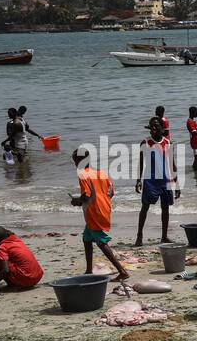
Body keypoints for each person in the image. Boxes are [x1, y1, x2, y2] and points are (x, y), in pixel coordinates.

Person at [70, 147, 128, 281]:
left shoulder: (82, 174)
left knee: (101, 242)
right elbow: (111, 192)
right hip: (104, 209)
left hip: (93, 212)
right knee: (87, 238)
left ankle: (122, 271)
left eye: (75, 161)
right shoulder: (101, 173)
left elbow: (86, 196)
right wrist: (101, 202)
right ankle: (89, 270)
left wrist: (76, 201)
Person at [134, 117, 178, 245]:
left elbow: (172, 164)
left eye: (156, 126)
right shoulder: (145, 143)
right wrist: (138, 180)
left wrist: (177, 183)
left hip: (166, 180)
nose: (153, 128)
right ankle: (139, 236)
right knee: (145, 207)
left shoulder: (168, 143)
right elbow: (141, 163)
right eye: (151, 126)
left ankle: (164, 236)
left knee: (165, 208)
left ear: (162, 128)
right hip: (150, 181)